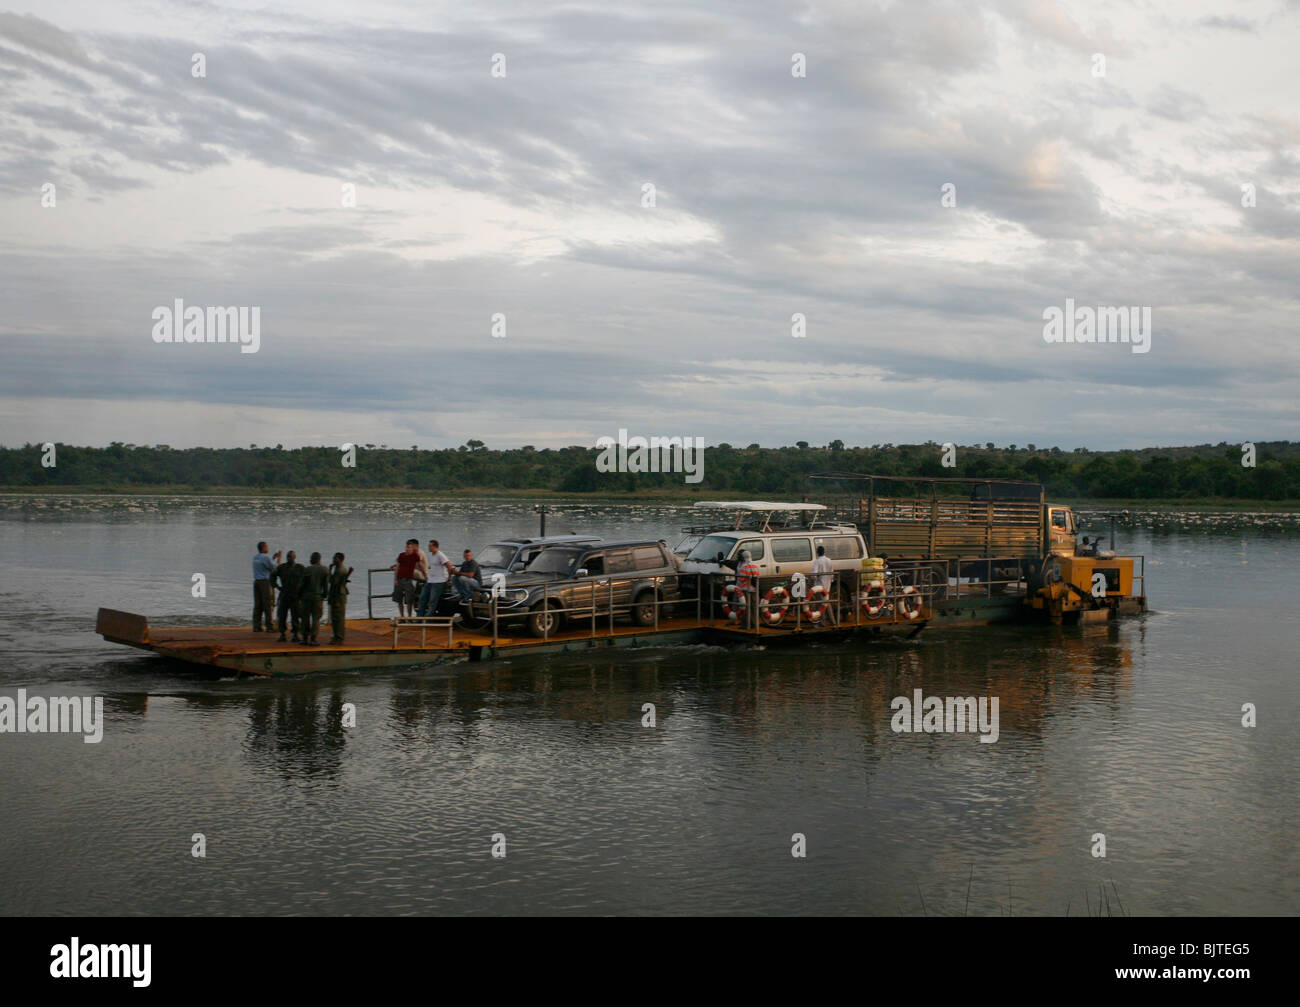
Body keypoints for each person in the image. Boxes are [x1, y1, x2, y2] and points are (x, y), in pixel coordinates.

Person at [273, 550, 306, 643]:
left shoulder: (300, 568)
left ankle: (295, 634)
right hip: (284, 595)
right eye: (287, 556)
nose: (289, 558)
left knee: (295, 616)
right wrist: (277, 587)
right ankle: (282, 634)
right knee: (282, 615)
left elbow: (307, 578)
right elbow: (272, 576)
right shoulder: (281, 567)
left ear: (294, 557)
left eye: (290, 557)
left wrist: (302, 590)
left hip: (295, 596)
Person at [417, 539, 454, 617]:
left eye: (430, 546)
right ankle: (419, 618)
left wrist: (449, 578)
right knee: (422, 598)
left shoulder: (440, 555)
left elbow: (449, 565)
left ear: (435, 546)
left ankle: (427, 619)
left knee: (432, 601)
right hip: (430, 580)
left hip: (439, 581)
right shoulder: (431, 555)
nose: (428, 547)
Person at [300, 551, 329, 645]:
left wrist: (299, 595)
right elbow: (325, 586)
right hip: (317, 597)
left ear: (314, 559)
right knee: (316, 618)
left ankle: (304, 638)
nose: (309, 560)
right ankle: (313, 638)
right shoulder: (325, 570)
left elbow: (302, 584)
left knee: (305, 618)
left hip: (307, 596)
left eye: (311, 558)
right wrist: (324, 595)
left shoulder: (307, 569)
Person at [390, 539, 422, 618]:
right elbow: (397, 567)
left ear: (412, 548)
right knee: (399, 600)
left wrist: (425, 575)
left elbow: (419, 565)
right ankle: (402, 616)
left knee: (409, 600)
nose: (407, 549)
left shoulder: (415, 556)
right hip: (400, 579)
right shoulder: (401, 555)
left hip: (408, 580)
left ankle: (409, 617)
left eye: (409, 547)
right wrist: (395, 579)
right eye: (407, 547)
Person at [252, 541, 279, 632]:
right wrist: (278, 559)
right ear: (263, 548)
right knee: (268, 604)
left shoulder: (255, 557)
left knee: (258, 605)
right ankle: (269, 626)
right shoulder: (265, 557)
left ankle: (256, 626)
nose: (268, 548)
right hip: (265, 583)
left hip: (257, 582)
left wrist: (273, 558)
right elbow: (275, 568)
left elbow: (265, 565)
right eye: (267, 547)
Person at [327, 553, 354, 645]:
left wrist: (329, 571)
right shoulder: (340, 569)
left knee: (337, 618)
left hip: (338, 597)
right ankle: (337, 636)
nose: (333, 559)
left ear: (340, 559)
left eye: (335, 558)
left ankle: (338, 637)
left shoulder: (339, 570)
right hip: (337, 596)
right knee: (336, 618)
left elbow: (332, 581)